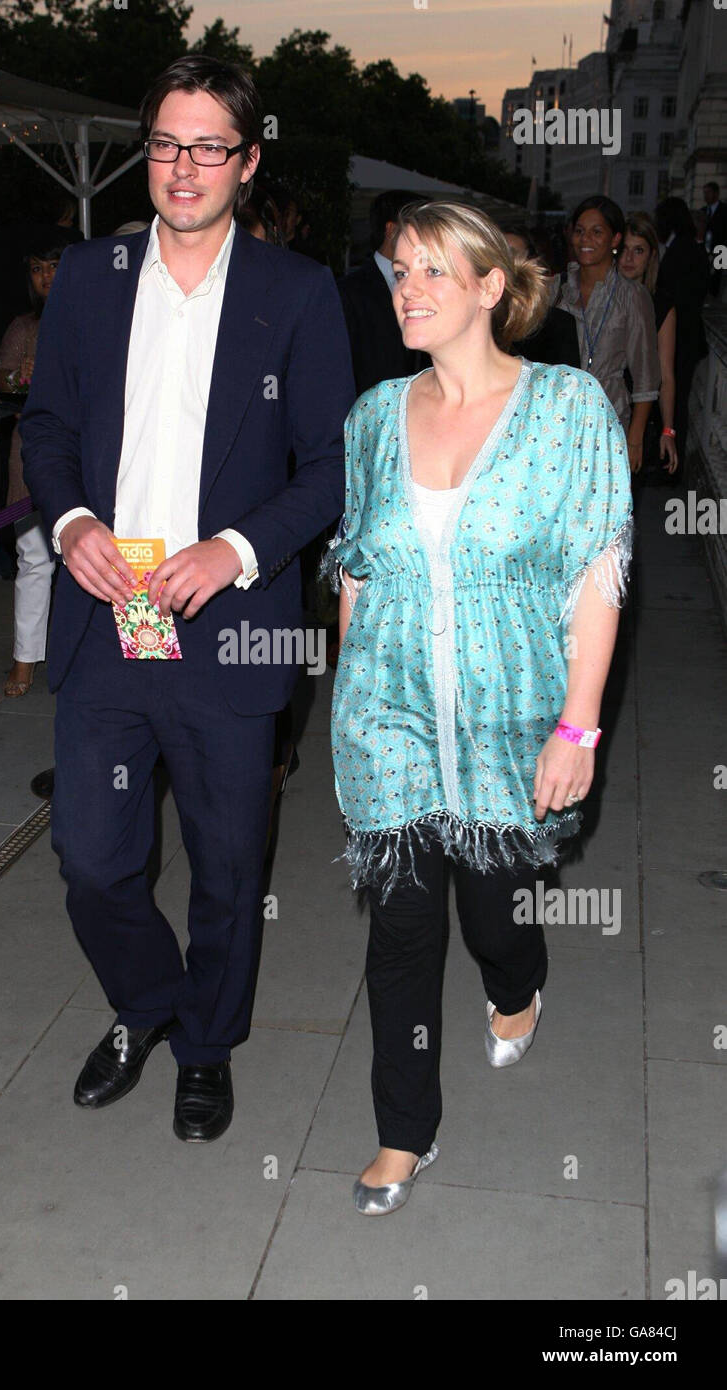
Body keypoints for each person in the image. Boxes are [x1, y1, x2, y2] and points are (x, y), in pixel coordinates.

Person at [20, 56, 355, 1143]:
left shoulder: (297, 294)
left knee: (227, 865)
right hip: (111, 612)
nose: (183, 165)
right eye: (166, 142)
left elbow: (332, 467)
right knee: (93, 858)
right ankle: (148, 1001)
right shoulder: (88, 276)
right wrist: (70, 525)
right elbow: (48, 432)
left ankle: (204, 1045)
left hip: (233, 628)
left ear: (247, 163)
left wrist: (237, 550)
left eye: (210, 145)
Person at [325, 200, 632, 1216]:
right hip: (393, 713)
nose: (406, 290)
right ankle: (403, 1131)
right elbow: (358, 573)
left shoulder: (569, 406)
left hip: (514, 713)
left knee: (496, 914)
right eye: (398, 271)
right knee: (403, 929)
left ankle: (518, 982)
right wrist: (347, 698)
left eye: (431, 273)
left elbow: (598, 569)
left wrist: (579, 723)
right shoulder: (373, 415)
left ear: (492, 286)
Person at [0, 243, 65, 698]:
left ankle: (93, 655)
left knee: (95, 560)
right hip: (34, 449)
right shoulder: (25, 327)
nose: (46, 277)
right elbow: (2, 380)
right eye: (37, 268)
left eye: (55, 266)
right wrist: (20, 375)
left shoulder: (95, 316)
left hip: (89, 453)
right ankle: (25, 659)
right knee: (33, 558)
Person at [557, 195, 659, 473]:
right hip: (558, 422)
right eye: (579, 231)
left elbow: (646, 376)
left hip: (609, 419)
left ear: (615, 239)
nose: (585, 238)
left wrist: (635, 439)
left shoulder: (632, 296)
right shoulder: (555, 289)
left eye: (596, 231)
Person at [338, 190, 429, 396]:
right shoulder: (348, 292)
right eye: (421, 228)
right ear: (392, 230)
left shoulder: (434, 287)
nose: (429, 238)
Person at [619, 213, 678, 480]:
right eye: (624, 250)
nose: (629, 259)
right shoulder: (601, 297)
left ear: (651, 256)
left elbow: (666, 375)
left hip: (638, 419)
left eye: (638, 251)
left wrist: (668, 430)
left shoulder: (661, 305)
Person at [655, 196, 710, 463]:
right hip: (685, 337)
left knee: (676, 400)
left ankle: (669, 461)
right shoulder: (689, 247)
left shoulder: (680, 250)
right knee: (678, 398)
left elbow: (675, 295)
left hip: (680, 338)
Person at [504, 225, 579, 367]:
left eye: (512, 254)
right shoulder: (480, 320)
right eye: (499, 254)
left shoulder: (559, 324)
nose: (504, 262)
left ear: (531, 264)